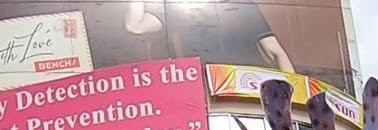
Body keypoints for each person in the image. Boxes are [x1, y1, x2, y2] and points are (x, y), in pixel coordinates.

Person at [123, 0, 294, 72]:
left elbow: (276, 52)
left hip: (250, 92)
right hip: (209, 97)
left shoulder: (239, 5)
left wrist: (292, 96)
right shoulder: (178, 11)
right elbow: (135, 25)